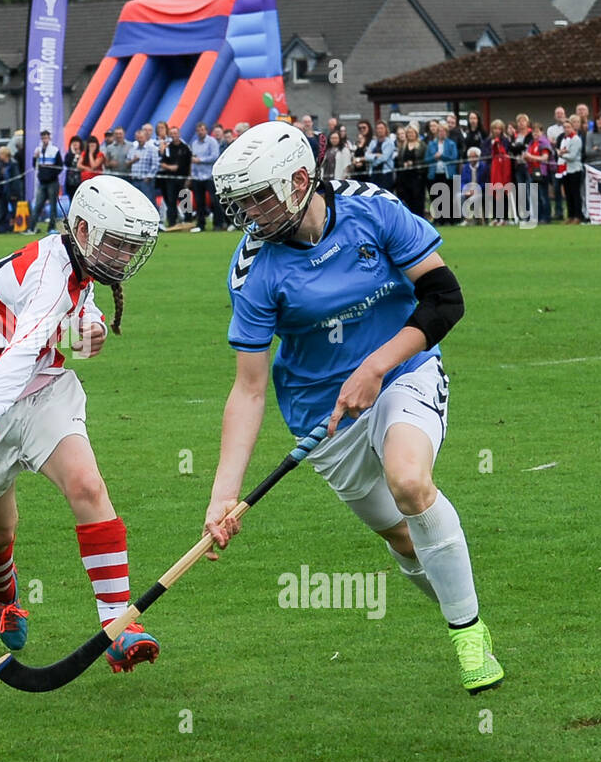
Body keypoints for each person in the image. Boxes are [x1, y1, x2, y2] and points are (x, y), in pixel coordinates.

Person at [206, 122, 503, 695]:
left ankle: (467, 635)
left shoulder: (373, 208)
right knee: (404, 540)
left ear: (299, 181)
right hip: (322, 416)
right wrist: (224, 493)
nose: (250, 214)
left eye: (259, 198)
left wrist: (375, 367)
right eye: (241, 202)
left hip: (403, 372)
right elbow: (248, 389)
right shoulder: (254, 267)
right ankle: (464, 610)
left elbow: (445, 298)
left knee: (409, 482)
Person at [0, 175, 163, 673]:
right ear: (83, 230)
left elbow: (68, 316)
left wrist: (91, 327)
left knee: (87, 485)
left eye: (130, 246)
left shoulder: (75, 262)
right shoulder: (47, 275)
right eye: (118, 243)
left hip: (42, 391)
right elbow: (19, 349)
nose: (124, 256)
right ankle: (5, 597)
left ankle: (119, 625)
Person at [188, 121, 221, 231]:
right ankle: (201, 224)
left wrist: (200, 160)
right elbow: (193, 159)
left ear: (206, 131)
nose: (200, 132)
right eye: (198, 130)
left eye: (202, 130)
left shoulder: (212, 142)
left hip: (209, 176)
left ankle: (218, 224)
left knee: (214, 201)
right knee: (199, 202)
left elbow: (215, 156)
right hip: (198, 177)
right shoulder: (194, 143)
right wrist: (192, 174)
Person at [158, 125, 191, 228]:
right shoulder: (168, 148)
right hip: (171, 179)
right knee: (171, 201)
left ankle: (188, 220)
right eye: (171, 134)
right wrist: (170, 167)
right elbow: (162, 163)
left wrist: (189, 177)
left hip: (183, 178)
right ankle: (172, 222)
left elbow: (190, 163)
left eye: (175, 133)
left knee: (185, 200)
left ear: (179, 134)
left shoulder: (185, 147)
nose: (173, 135)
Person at [31, 129, 62, 233]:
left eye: (46, 138)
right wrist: (35, 158)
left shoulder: (54, 150)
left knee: (53, 206)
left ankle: (51, 228)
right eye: (43, 138)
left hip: (52, 182)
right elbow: (34, 166)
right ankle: (32, 227)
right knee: (38, 205)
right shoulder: (38, 150)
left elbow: (60, 166)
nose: (44, 140)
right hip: (42, 182)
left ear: (49, 138)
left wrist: (51, 175)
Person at [557, 115, 585, 224]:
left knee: (575, 193)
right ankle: (570, 215)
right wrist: (563, 153)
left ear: (572, 128)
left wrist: (561, 154)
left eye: (568, 127)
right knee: (568, 194)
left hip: (575, 169)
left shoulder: (576, 139)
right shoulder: (564, 139)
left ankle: (578, 215)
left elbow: (572, 156)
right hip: (565, 170)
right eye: (565, 127)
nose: (566, 129)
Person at [394, 124, 426, 216]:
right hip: (405, 177)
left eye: (412, 132)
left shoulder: (422, 145)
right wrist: (403, 164)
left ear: (416, 133)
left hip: (417, 177)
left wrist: (414, 163)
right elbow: (399, 160)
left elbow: (425, 160)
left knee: (417, 201)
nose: (410, 134)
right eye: (408, 133)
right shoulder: (403, 146)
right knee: (407, 200)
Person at [456, 146, 489, 225]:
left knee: (474, 198)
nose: (472, 159)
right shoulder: (465, 167)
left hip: (481, 191)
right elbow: (462, 181)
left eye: (474, 156)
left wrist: (476, 190)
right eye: (470, 157)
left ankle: (477, 220)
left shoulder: (484, 167)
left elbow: (486, 183)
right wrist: (466, 190)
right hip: (468, 191)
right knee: (459, 196)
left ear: (478, 157)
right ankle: (466, 219)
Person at [367, 120, 397, 193]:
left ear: (386, 129)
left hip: (385, 174)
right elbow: (366, 156)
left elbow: (384, 158)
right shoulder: (373, 142)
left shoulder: (389, 142)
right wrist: (375, 156)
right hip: (374, 173)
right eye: (378, 128)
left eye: (381, 128)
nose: (379, 130)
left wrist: (373, 159)